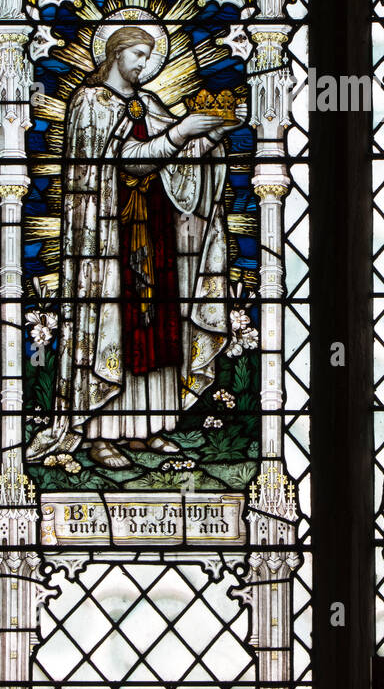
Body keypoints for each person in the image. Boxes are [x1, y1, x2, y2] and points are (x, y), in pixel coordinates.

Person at [27, 24, 242, 469]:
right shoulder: (91, 103)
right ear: (115, 54)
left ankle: (147, 427)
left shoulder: (151, 105)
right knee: (116, 327)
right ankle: (99, 431)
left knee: (157, 327)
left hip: (155, 232)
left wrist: (210, 136)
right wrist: (182, 133)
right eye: (138, 54)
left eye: (150, 55)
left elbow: (178, 166)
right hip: (109, 241)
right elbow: (128, 159)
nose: (145, 64)